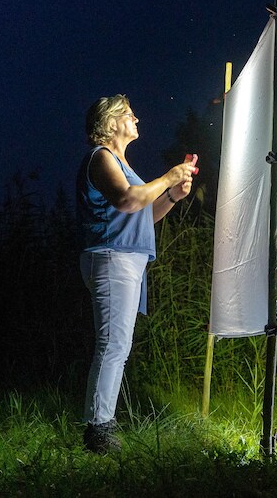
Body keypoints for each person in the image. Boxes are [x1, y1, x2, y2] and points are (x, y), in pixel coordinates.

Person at [76, 94, 197, 454]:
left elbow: (144, 214)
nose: (136, 119)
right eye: (129, 114)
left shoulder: (122, 164)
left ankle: (101, 424)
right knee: (113, 345)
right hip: (111, 256)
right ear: (111, 122)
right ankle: (98, 429)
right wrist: (167, 177)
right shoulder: (101, 157)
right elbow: (128, 200)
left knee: (118, 345)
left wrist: (172, 195)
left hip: (126, 258)